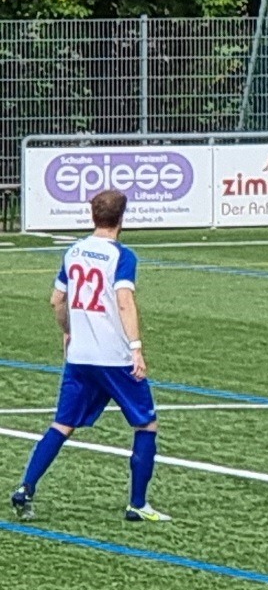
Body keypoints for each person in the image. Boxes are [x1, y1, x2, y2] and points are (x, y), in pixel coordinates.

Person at [11, 189, 169, 523]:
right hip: (114, 358)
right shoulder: (121, 256)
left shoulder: (74, 252)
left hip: (80, 357)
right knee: (146, 424)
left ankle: (25, 488)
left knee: (62, 424)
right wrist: (136, 349)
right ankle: (138, 504)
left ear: (92, 215)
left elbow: (57, 299)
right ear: (122, 219)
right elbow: (124, 301)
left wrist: (67, 331)